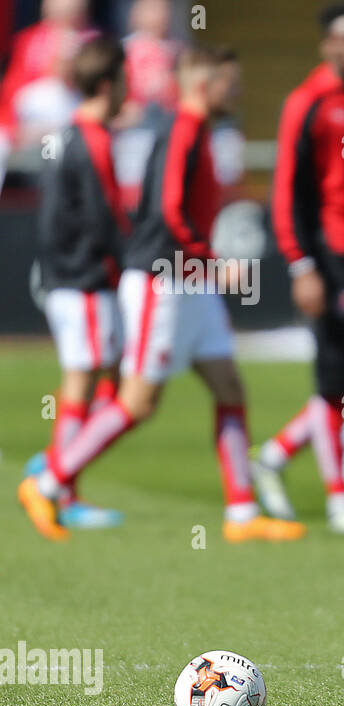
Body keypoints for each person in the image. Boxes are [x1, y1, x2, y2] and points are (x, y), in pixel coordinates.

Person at [18, 47, 306, 545]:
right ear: (205, 84)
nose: (237, 92)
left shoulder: (194, 130)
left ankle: (240, 512)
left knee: (230, 389)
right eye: (230, 83)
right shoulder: (183, 130)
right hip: (164, 280)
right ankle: (47, 482)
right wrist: (213, 263)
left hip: (188, 281)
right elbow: (171, 210)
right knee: (137, 403)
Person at [251, 3, 344, 536]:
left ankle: (277, 453)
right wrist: (301, 264)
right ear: (328, 46)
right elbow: (287, 188)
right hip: (330, 257)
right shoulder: (308, 103)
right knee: (337, 379)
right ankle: (338, 501)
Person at [24, 36, 130, 530]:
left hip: (66, 277)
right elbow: (105, 219)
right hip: (84, 280)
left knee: (97, 381)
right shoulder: (93, 138)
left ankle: (56, 476)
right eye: (125, 79)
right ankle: (56, 488)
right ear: (109, 83)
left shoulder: (70, 133)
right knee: (85, 384)